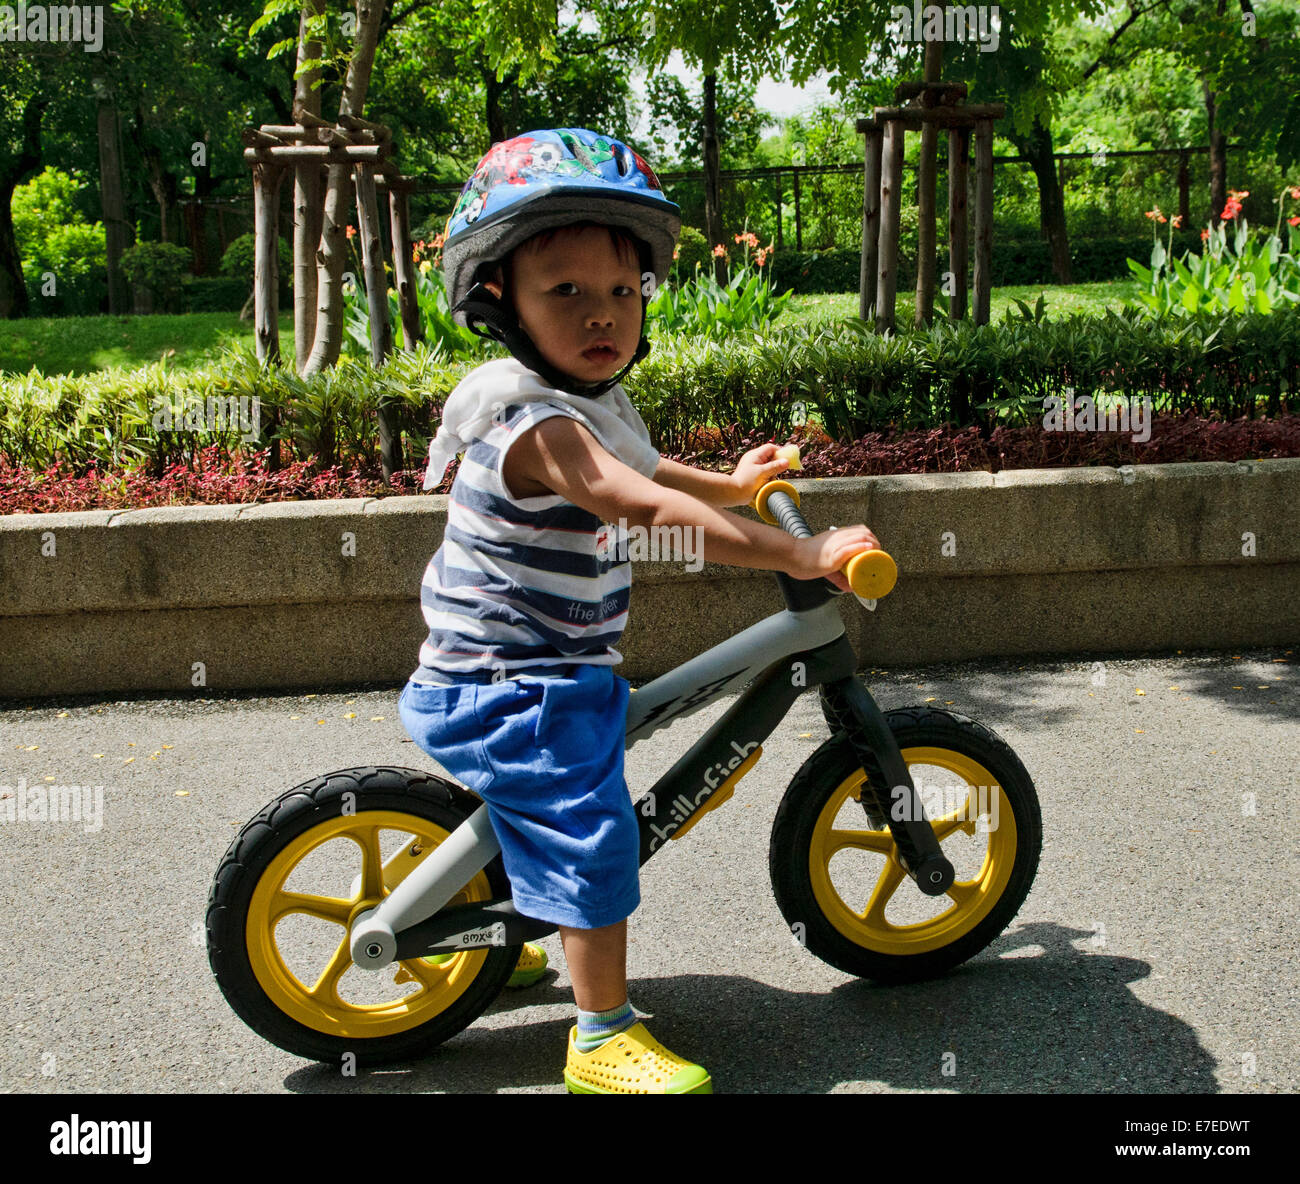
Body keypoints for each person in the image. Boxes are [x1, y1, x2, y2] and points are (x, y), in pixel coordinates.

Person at [398, 127, 879, 1093]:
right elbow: (636, 503)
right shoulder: (532, 418)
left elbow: (654, 472)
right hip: (509, 685)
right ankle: (600, 1035)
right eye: (564, 291)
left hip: (541, 667)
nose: (601, 314)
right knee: (592, 825)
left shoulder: (586, 400)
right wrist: (798, 551)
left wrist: (738, 490)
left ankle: (512, 938)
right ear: (501, 302)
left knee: (566, 790)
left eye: (622, 291)